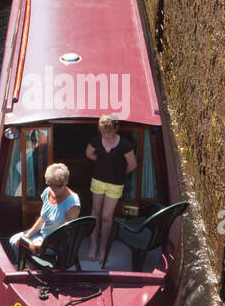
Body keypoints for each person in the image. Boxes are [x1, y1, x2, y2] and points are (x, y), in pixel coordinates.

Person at [85, 115, 136, 264]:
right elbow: (88, 153)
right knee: (95, 213)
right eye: (103, 132)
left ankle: (102, 247)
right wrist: (102, 161)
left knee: (107, 216)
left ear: (116, 129)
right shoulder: (96, 140)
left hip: (115, 185)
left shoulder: (124, 144)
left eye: (109, 132)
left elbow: (132, 165)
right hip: (98, 182)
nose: (106, 135)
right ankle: (93, 244)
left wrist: (118, 172)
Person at [9, 162, 80, 269]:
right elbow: (43, 217)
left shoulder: (72, 202)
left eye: (58, 185)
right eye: (50, 184)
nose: (54, 189)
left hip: (56, 244)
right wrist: (28, 235)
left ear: (66, 181)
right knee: (15, 240)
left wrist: (43, 244)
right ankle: (31, 266)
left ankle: (33, 267)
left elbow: (68, 234)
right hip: (43, 235)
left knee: (24, 244)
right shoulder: (48, 192)